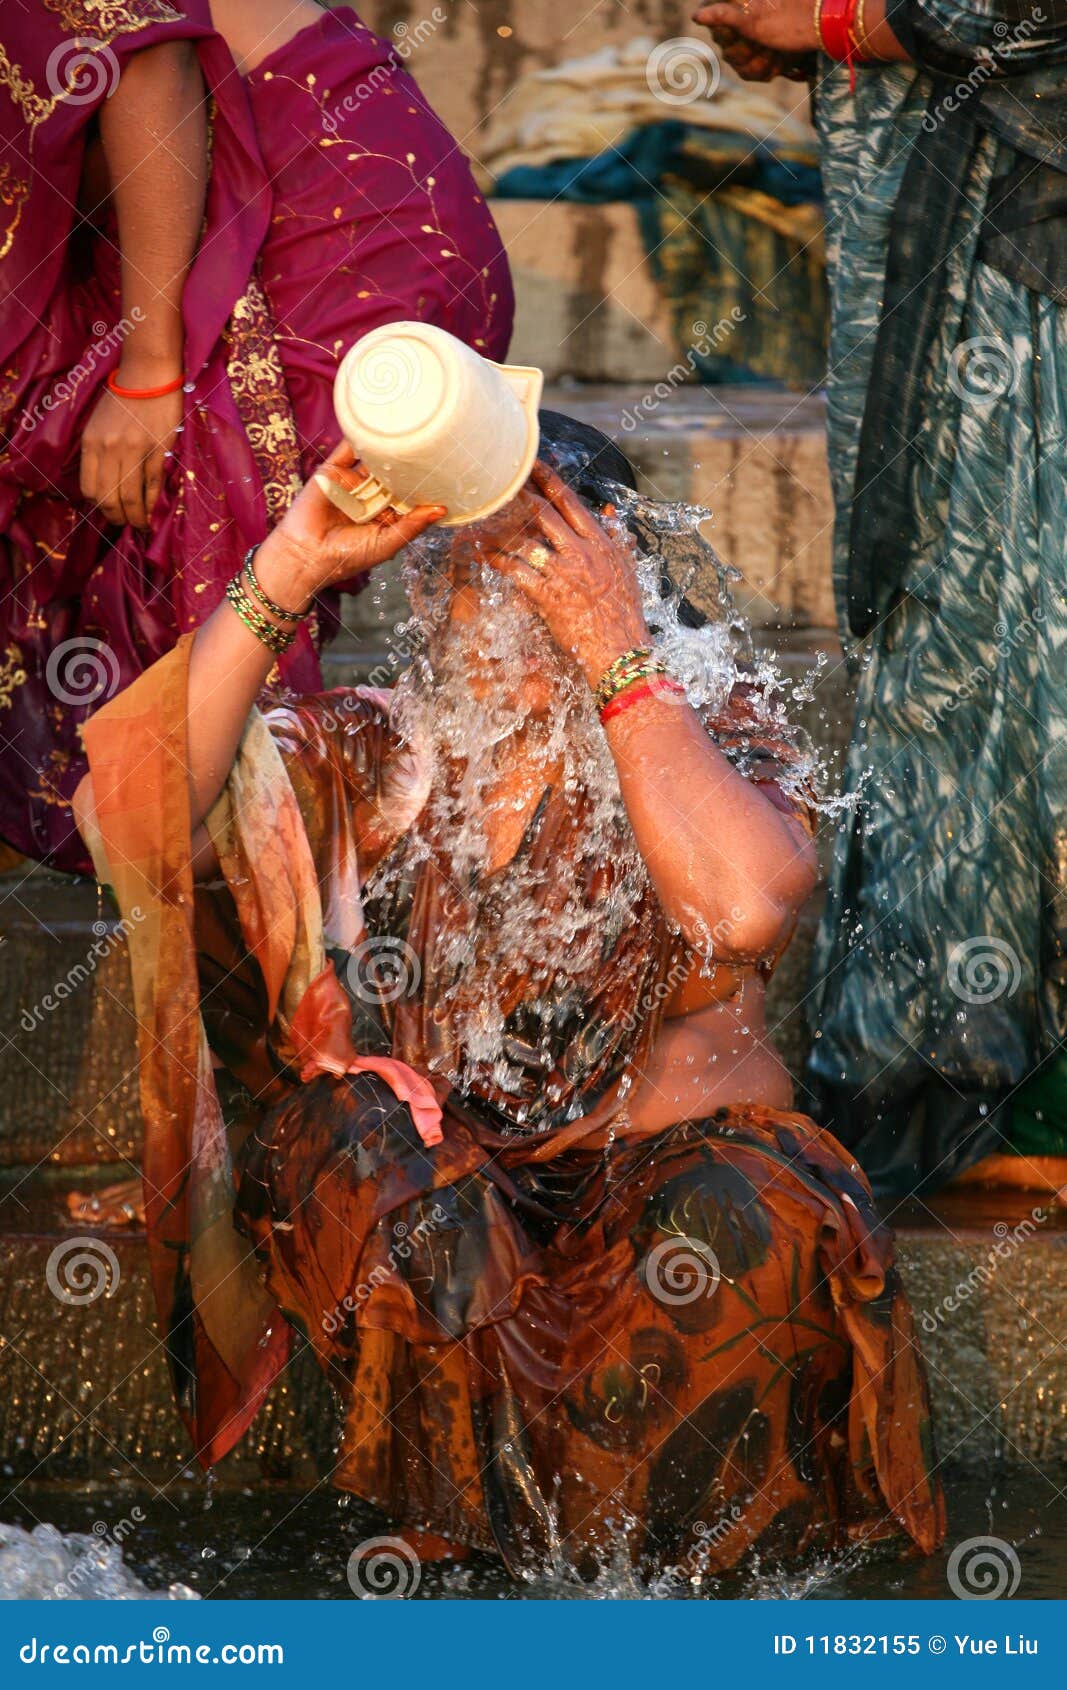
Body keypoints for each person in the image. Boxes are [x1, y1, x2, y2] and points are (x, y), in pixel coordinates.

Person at [72, 412, 943, 1578]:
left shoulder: (709, 724)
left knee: (757, 1209)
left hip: (665, 1211)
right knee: (354, 1143)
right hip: (463, 1224)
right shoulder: (396, 750)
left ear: (606, 567)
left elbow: (739, 908)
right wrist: (284, 570)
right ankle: (453, 1565)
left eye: (532, 560)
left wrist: (616, 662)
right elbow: (124, 816)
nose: (488, 601)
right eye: (460, 566)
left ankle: (692, 1608)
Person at [693, 0, 1067, 1193]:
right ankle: (967, 1082)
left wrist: (831, 19)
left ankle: (1002, 1084)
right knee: (948, 638)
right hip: (934, 202)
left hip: (1021, 231)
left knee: (1014, 634)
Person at [0, 0, 512, 871]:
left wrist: (151, 368)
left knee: (219, 719)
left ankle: (289, 936)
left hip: (307, 222)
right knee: (200, 672)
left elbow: (148, 66)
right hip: (253, 218)